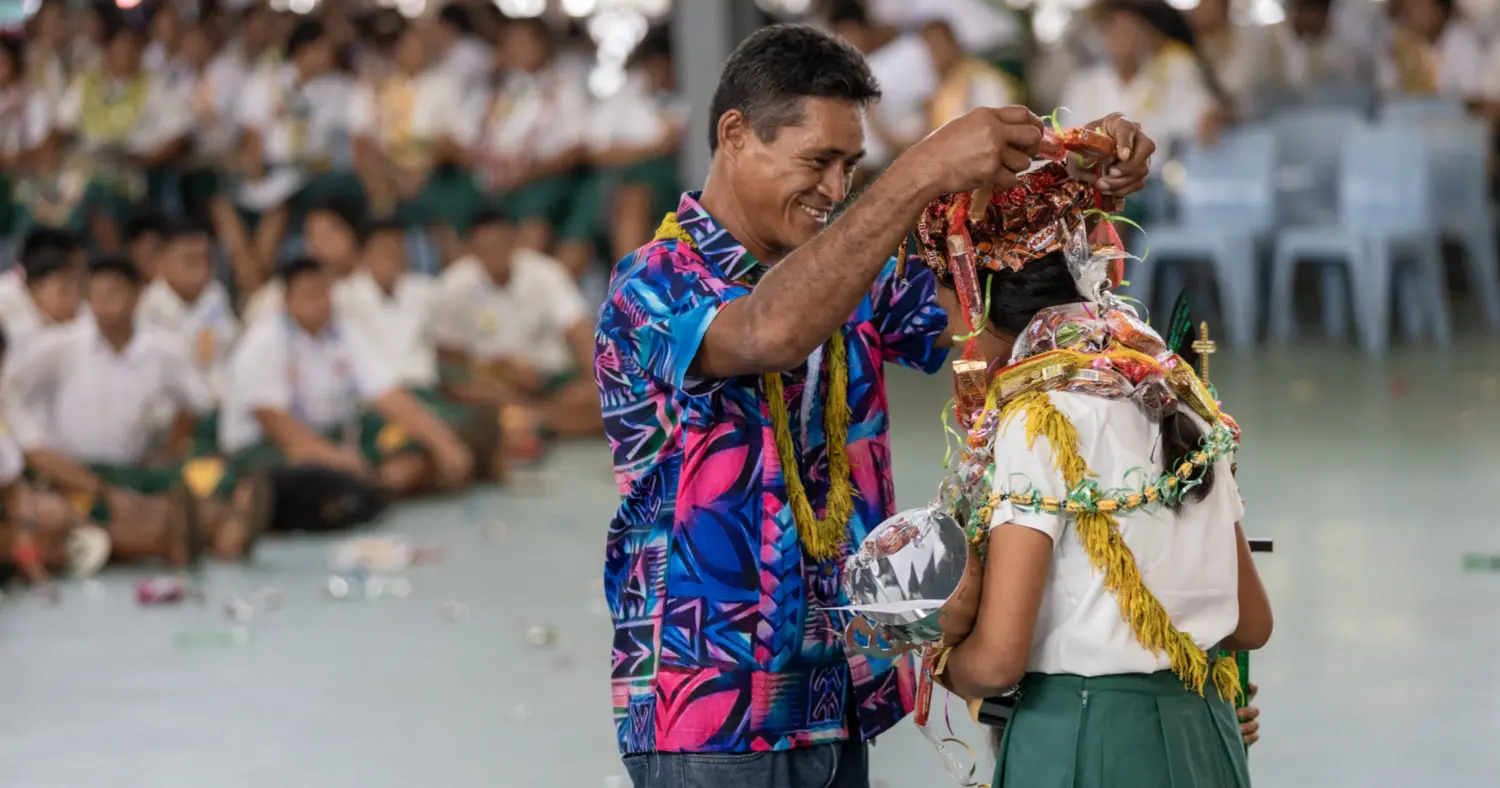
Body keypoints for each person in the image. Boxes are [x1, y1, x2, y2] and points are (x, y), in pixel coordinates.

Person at [593, 23, 1154, 787]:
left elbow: (988, 328)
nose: (834, 188)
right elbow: (769, 331)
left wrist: (1077, 193)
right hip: (711, 717)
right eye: (818, 161)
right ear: (734, 135)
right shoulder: (652, 283)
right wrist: (918, 170)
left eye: (850, 166)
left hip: (840, 695)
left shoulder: (856, 272)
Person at [930, 165, 1273, 787]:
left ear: (975, 300)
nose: (948, 326)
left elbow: (1000, 658)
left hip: (1084, 742)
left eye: (946, 299)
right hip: (1207, 739)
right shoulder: (1184, 395)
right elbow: (1252, 623)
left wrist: (943, 663)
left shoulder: (1037, 419)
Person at [0, 255, 261, 562]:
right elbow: (10, 394)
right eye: (95, 295)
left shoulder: (162, 349)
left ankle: (214, 526)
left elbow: (197, 403)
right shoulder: (58, 347)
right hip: (76, 472)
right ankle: (197, 535)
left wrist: (172, 447)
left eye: (113, 294)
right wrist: (41, 450)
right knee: (99, 513)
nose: (103, 305)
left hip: (137, 469)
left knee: (202, 477)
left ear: (137, 294)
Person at [219, 257, 474, 499]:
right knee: (300, 473)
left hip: (337, 439)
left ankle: (368, 488)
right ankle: (358, 488)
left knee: (413, 442)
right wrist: (338, 460)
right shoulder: (263, 342)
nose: (321, 303)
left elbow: (388, 394)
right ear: (287, 301)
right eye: (310, 294)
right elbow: (279, 427)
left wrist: (443, 442)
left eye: (325, 292)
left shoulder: (344, 332)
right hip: (268, 449)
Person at [210, 19, 360, 300]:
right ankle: (251, 284)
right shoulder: (267, 81)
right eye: (323, 49)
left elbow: (346, 142)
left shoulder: (339, 88)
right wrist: (254, 168)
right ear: (305, 50)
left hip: (311, 175)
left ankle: (252, 292)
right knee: (223, 206)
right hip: (268, 170)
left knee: (277, 208)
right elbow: (252, 135)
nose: (329, 56)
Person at [435, 208, 599, 462]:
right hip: (494, 387)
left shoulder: (546, 273)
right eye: (486, 248)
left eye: (500, 245)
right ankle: (543, 422)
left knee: (610, 397)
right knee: (462, 397)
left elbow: (579, 332)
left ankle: (534, 421)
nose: (495, 255)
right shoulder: (454, 285)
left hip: (550, 381)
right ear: (472, 250)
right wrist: (497, 368)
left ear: (514, 241)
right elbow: (448, 359)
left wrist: (598, 381)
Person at [452, 17, 594, 278]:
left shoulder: (566, 87)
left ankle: (522, 286)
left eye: (523, 43)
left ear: (544, 46)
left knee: (536, 207)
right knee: (452, 202)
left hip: (542, 177)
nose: (516, 50)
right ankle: (473, 287)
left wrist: (527, 173)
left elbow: (577, 147)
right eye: (510, 43)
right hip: (489, 177)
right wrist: (485, 163)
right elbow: (457, 137)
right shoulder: (495, 89)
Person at [348, 19, 471, 261]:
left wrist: (421, 172)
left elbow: (454, 142)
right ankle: (380, 248)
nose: (418, 51)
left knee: (439, 214)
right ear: (396, 48)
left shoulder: (447, 84)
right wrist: (389, 173)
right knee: (370, 182)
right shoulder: (374, 85)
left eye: (424, 44)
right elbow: (361, 141)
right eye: (411, 44)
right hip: (384, 171)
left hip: (432, 172)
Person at [1060, 0, 1225, 149]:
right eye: (1116, 29)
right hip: (1095, 177)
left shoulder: (1170, 70)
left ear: (1146, 33)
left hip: (1154, 176)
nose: (1124, 39)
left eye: (1130, 29)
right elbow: (1069, 142)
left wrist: (1209, 117)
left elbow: (1198, 114)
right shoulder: (1083, 85)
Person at [583, 25, 684, 262]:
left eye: (665, 67)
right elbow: (596, 151)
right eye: (653, 67)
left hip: (672, 178)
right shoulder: (629, 91)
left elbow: (675, 146)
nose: (659, 74)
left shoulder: (693, 91)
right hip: (617, 178)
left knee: (634, 198)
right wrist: (651, 150)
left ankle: (630, 285)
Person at [136, 219, 240, 409]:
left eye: (205, 259)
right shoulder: (147, 307)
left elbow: (228, 352)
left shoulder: (215, 296)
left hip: (217, 400)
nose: (200, 269)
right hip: (167, 411)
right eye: (190, 260)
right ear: (161, 262)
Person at [242, 196, 364, 326]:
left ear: (353, 235)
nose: (319, 244)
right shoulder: (279, 293)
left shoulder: (373, 282)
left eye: (328, 233)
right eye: (312, 235)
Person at [920, 19, 1023, 131]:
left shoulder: (980, 78)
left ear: (952, 43)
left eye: (938, 45)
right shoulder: (941, 89)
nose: (935, 55)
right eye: (930, 48)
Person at [0, 229, 85, 347]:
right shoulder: (6, 300)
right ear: (35, 289)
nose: (73, 298)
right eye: (64, 291)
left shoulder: (84, 314)